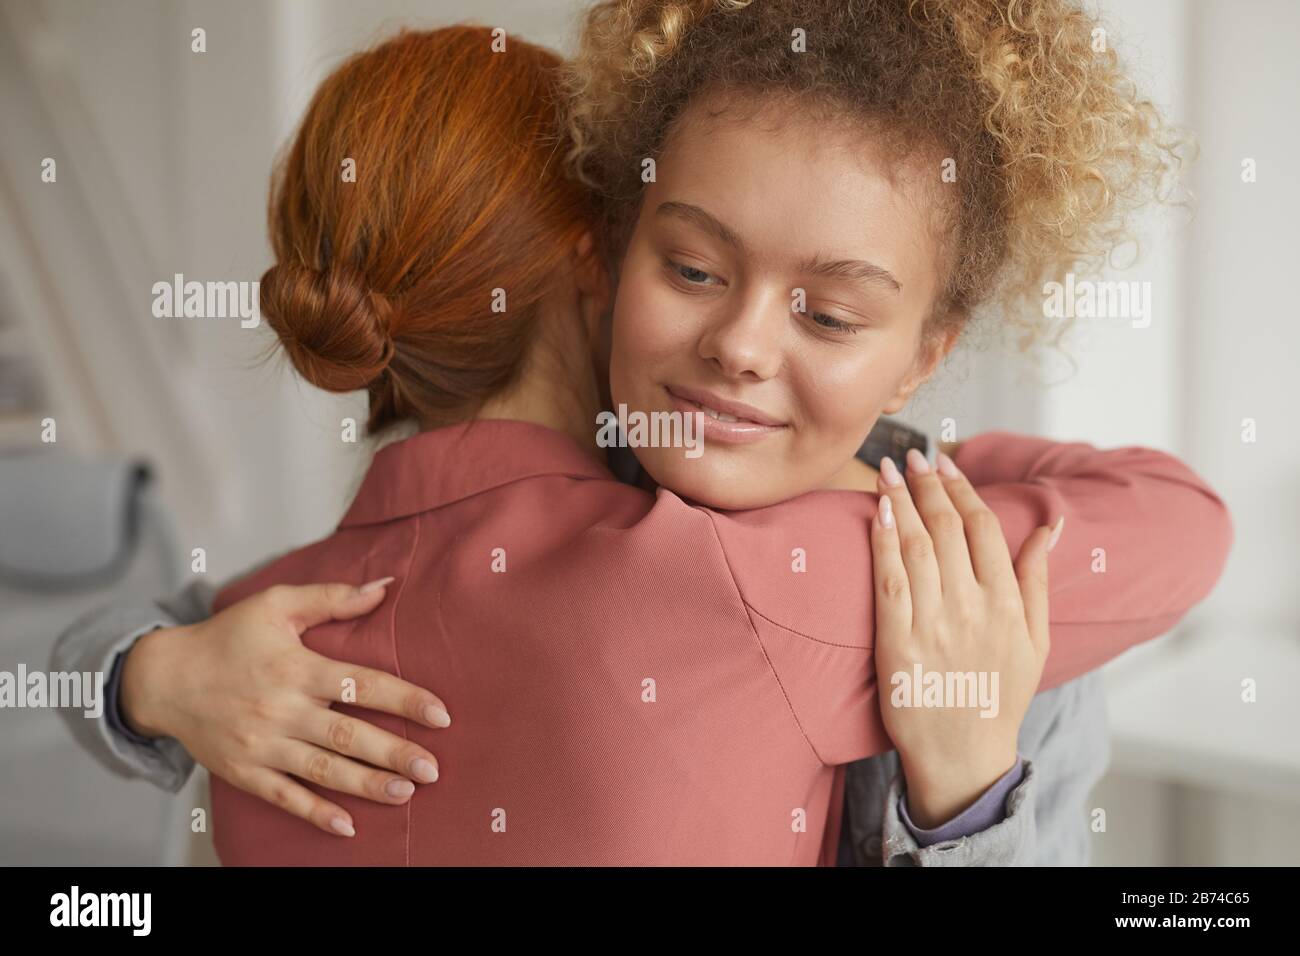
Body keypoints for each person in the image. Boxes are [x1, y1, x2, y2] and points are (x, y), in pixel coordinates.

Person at [54, 4, 1230, 865]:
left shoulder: (268, 620)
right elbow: (1185, 525)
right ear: (604, 252)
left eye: (828, 312)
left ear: (927, 346)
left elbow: (91, 663)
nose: (741, 346)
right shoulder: (814, 575)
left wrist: (137, 678)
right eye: (692, 265)